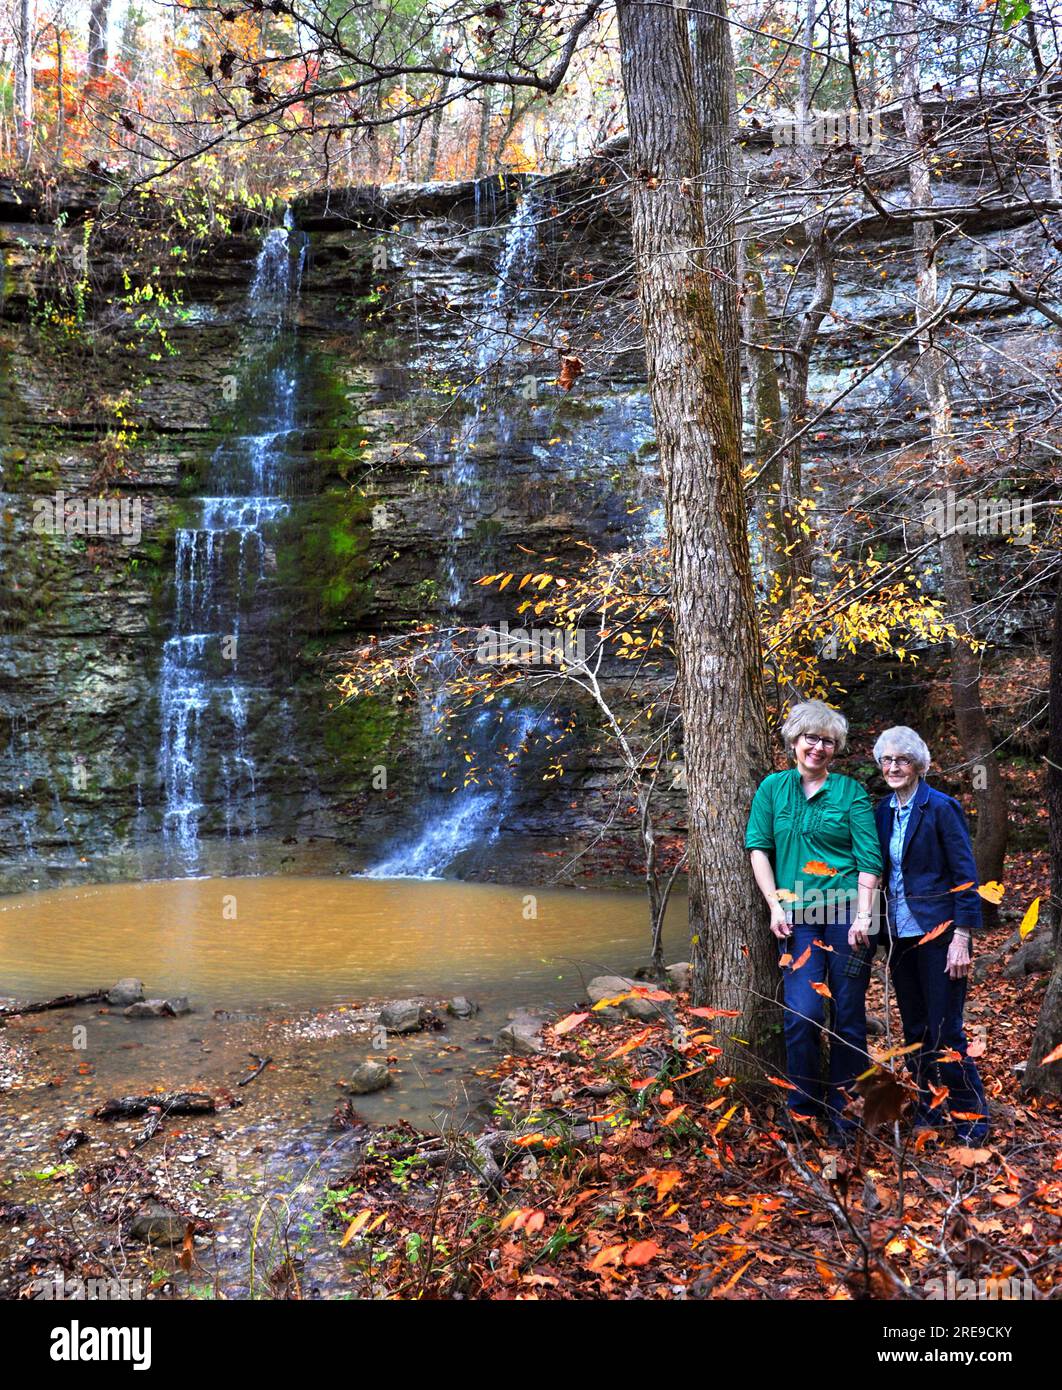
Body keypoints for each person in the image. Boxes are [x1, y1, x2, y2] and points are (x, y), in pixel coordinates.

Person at [746, 699, 883, 1139]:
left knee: (848, 1017)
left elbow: (869, 859)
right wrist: (773, 905)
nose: (817, 747)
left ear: (836, 747)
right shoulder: (773, 788)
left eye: (827, 741)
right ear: (794, 741)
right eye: (810, 738)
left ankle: (847, 1116)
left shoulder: (851, 792)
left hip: (849, 916)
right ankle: (802, 1110)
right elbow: (758, 849)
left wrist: (865, 915)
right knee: (802, 1015)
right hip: (797, 918)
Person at [873, 726, 989, 1143]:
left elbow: (965, 876)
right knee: (916, 1031)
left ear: (918, 765)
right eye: (886, 760)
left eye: (901, 760)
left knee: (946, 1031)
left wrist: (963, 937)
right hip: (900, 937)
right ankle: (929, 1108)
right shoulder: (881, 811)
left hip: (940, 934)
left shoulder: (941, 807)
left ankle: (972, 1117)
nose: (893, 767)